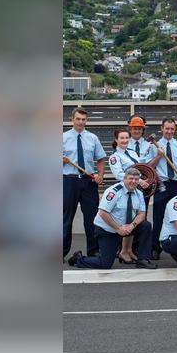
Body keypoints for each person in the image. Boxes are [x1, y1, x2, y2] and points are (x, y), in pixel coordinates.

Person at [68, 167, 154, 270]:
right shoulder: (114, 191)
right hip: (108, 230)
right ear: (124, 179)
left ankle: (143, 260)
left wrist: (132, 226)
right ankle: (78, 259)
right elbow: (103, 212)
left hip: (126, 228)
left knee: (146, 226)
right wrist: (118, 229)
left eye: (136, 179)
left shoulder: (138, 193)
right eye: (131, 178)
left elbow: (141, 214)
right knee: (105, 264)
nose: (134, 181)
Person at [62, 106, 107, 259]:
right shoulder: (62, 138)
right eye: (78, 119)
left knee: (92, 218)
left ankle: (93, 250)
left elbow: (100, 158)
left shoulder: (93, 138)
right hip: (69, 181)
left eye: (83, 119)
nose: (80, 122)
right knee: (65, 218)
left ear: (86, 120)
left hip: (88, 181)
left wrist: (100, 174)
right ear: (72, 120)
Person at [148, 118, 177, 256]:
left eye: (172, 129)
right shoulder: (153, 146)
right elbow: (149, 167)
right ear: (162, 128)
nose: (169, 131)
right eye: (167, 128)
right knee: (158, 216)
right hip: (161, 184)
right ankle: (156, 248)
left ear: (175, 129)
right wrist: (158, 156)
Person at [106, 128, 151, 264]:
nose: (125, 140)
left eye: (127, 138)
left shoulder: (132, 152)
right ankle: (123, 251)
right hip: (125, 189)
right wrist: (138, 181)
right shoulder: (114, 157)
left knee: (134, 218)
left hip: (136, 189)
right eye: (122, 138)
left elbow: (140, 167)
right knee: (127, 218)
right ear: (116, 140)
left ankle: (129, 250)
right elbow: (119, 174)